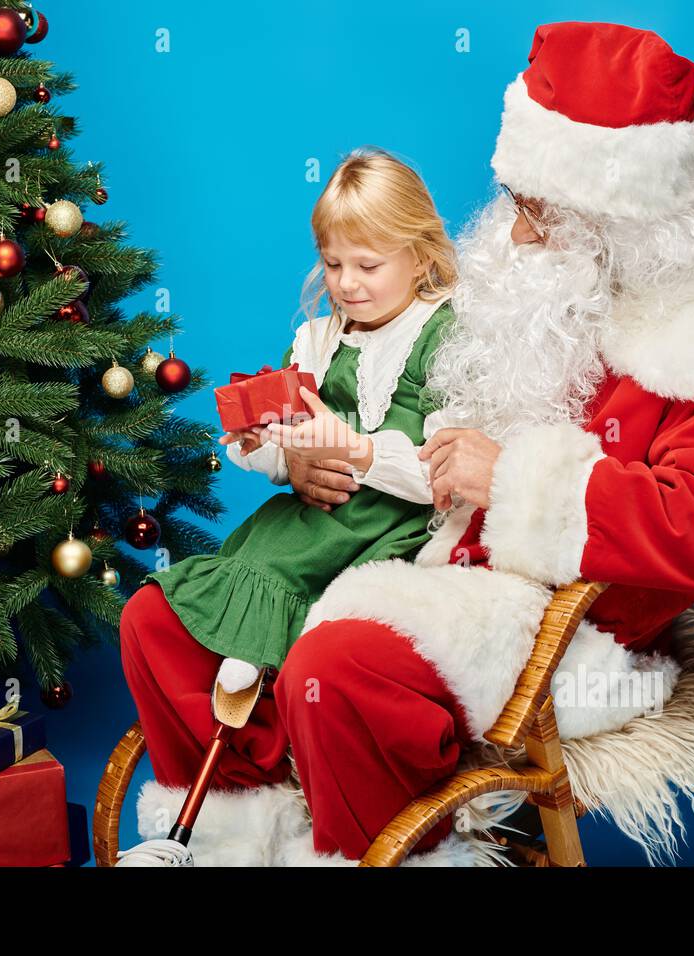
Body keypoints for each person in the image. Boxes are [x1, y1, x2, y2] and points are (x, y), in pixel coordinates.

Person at [126, 21, 694, 867]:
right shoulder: (514, 296)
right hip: (410, 544)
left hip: (568, 622)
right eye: (513, 202)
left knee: (334, 666)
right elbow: (386, 405)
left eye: (534, 214)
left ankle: (391, 851)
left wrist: (516, 481)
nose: (509, 236)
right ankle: (243, 838)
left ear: (619, 223)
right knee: (166, 623)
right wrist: (303, 452)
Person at [119, 148, 461, 839]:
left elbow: (443, 473)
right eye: (334, 265)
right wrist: (266, 446)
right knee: (152, 618)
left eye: (369, 266)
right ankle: (240, 808)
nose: (348, 284)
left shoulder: (445, 332)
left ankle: (286, 755)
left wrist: (358, 451)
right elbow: (289, 445)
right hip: (305, 524)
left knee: (306, 648)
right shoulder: (317, 337)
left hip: (387, 538)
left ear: (422, 257)